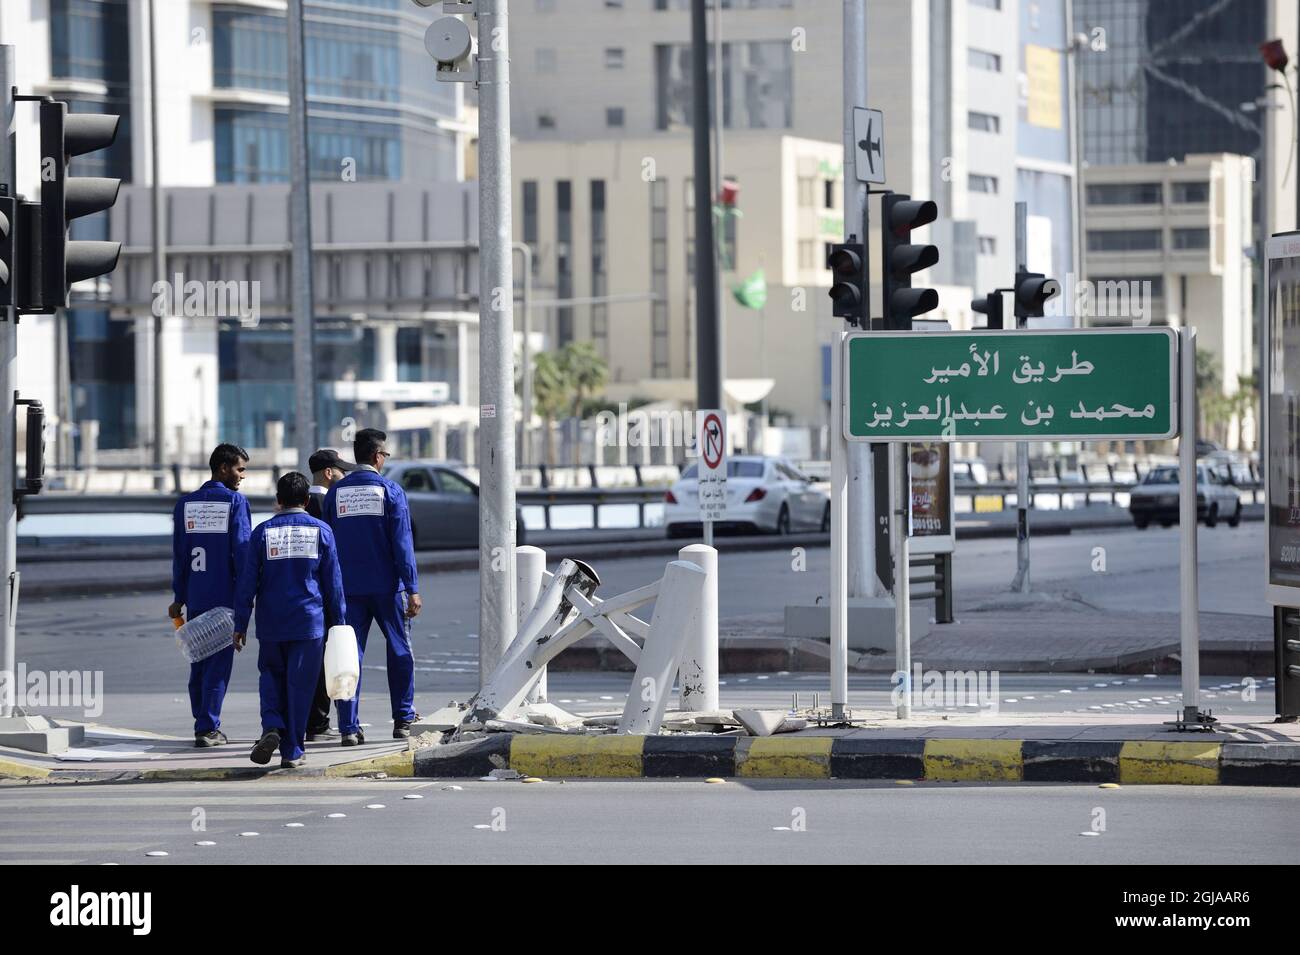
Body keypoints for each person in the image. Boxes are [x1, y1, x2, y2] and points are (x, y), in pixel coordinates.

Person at [232, 472, 346, 769]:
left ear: (278, 501)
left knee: (270, 675)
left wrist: (240, 623)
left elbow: (247, 583)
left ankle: (271, 725)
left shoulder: (262, 532)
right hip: (309, 623)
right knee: (300, 685)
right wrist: (340, 622)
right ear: (307, 501)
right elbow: (333, 584)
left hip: (271, 622)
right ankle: (293, 749)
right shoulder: (322, 531)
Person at [322, 428, 422, 744]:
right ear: (378, 456)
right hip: (387, 586)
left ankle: (349, 728)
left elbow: (328, 543)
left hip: (347, 589)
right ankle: (403, 719)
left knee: (349, 656)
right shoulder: (390, 491)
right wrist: (412, 587)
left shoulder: (336, 493)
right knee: (400, 649)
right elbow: (402, 543)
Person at [169, 444, 252, 747]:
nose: (242, 476)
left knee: (199, 661)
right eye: (239, 469)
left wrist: (179, 596)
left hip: (196, 595)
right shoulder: (235, 503)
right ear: (222, 468)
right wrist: (246, 598)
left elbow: (180, 555)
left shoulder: (185, 504)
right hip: (225, 598)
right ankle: (207, 727)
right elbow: (243, 554)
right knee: (218, 663)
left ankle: (201, 720)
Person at [304, 448, 355, 740]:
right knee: (324, 660)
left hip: (296, 594)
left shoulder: (299, 500)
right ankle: (318, 724)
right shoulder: (329, 503)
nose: (343, 476)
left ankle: (301, 721)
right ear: (328, 473)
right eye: (340, 471)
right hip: (321, 595)